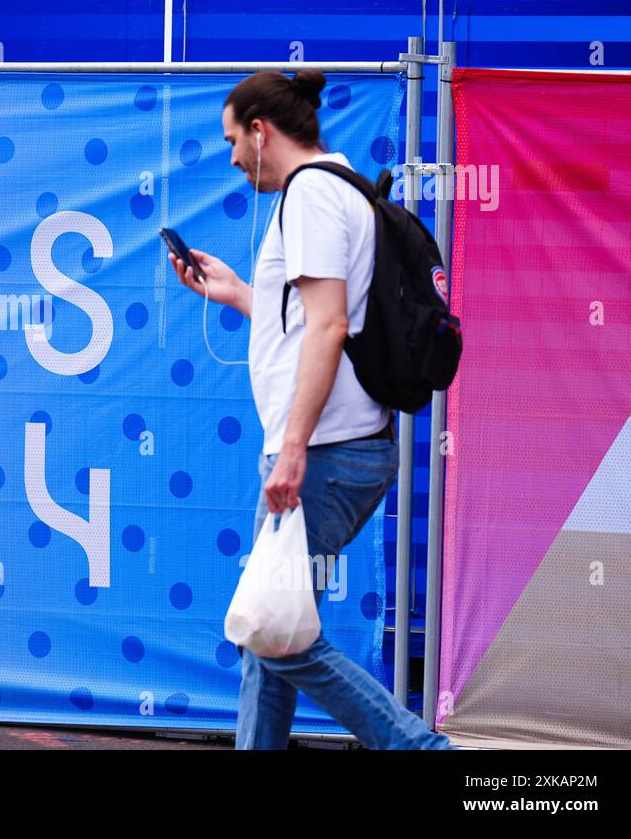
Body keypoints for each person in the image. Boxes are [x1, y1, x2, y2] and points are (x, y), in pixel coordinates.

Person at [169, 69, 453, 750]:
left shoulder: (312, 196)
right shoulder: (337, 186)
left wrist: (292, 449)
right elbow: (316, 319)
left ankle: (421, 748)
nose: (233, 157)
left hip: (324, 456)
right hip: (332, 449)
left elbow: (327, 327)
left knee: (276, 634)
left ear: (261, 132)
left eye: (234, 139)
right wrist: (240, 293)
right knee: (274, 627)